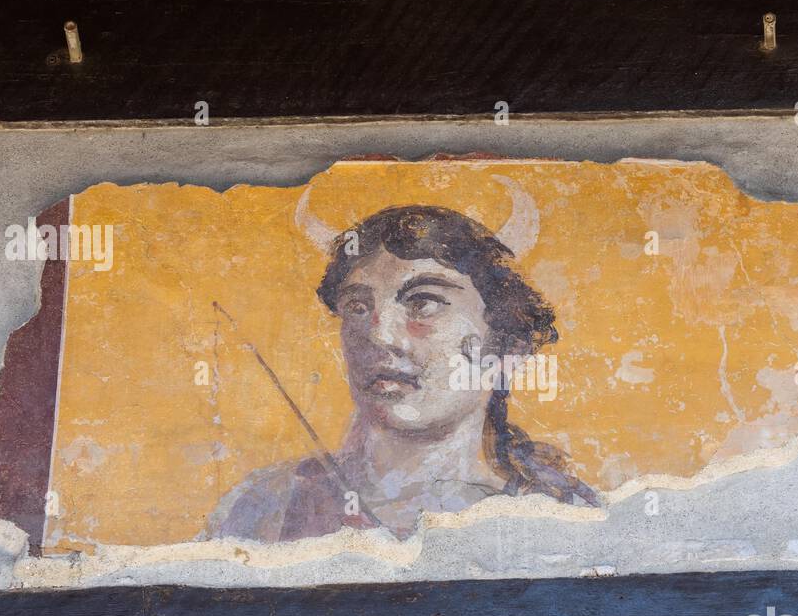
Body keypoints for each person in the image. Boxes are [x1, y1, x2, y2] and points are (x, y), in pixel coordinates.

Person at [207, 205, 598, 542]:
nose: (379, 335)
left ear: (505, 347)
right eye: (357, 307)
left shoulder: (562, 518)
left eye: (423, 303)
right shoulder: (264, 506)